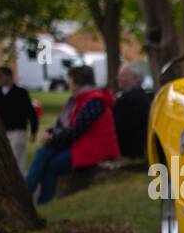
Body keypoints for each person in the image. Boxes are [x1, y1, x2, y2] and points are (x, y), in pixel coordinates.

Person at [25, 64, 118, 206]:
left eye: (69, 79)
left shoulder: (93, 101)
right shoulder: (79, 99)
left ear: (76, 81)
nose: (67, 82)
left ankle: (38, 200)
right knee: (43, 153)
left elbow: (77, 130)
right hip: (80, 143)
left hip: (93, 148)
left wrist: (53, 137)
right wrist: (51, 133)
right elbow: (64, 126)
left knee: (51, 166)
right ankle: (28, 194)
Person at [0, 65, 39, 174]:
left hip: (17, 130)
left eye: (1, 76)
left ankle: (19, 184)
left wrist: (34, 130)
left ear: (9, 77)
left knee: (16, 159)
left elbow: (31, 112)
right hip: (1, 132)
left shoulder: (21, 93)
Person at [113, 63, 151, 159]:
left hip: (130, 148)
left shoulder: (132, 99)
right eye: (119, 76)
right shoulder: (140, 95)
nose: (119, 79)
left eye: (123, 76)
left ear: (136, 79)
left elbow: (121, 125)